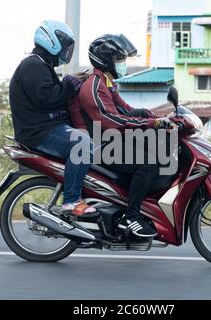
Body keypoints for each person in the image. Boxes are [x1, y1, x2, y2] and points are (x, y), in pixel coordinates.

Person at [69, 34, 172, 238]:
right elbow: (113, 121)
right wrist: (152, 123)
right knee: (147, 164)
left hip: (109, 138)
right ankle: (130, 216)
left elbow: (127, 110)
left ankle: (139, 204)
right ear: (106, 60)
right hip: (98, 144)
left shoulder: (107, 83)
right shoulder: (95, 87)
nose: (122, 64)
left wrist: (157, 117)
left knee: (155, 149)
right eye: (119, 60)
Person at [9, 20, 95, 216]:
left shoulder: (41, 65)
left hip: (47, 128)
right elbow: (47, 99)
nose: (66, 51)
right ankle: (72, 201)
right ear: (51, 41)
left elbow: (52, 94)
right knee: (81, 143)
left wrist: (71, 81)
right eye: (65, 46)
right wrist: (68, 83)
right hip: (38, 132)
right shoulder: (32, 65)